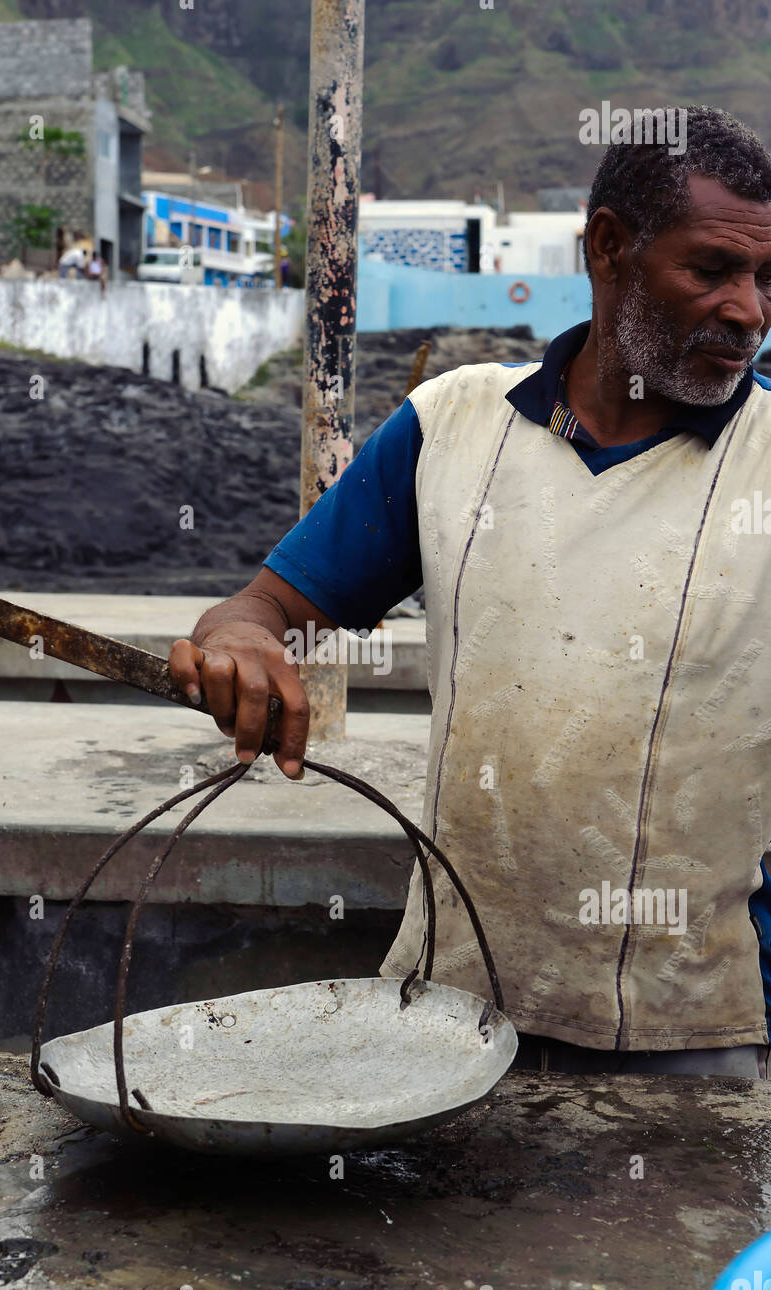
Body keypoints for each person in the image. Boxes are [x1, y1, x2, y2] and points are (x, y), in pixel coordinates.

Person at [169, 105, 771, 1078]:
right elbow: (263, 607)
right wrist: (241, 640)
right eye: (712, 270)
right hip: (446, 1018)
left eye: (765, 278)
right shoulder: (453, 426)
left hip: (694, 1045)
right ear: (609, 246)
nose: (748, 309)